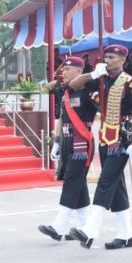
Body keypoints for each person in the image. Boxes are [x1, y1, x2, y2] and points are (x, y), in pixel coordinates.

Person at [68, 44, 132, 250]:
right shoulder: (101, 80)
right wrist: (93, 74)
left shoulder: (131, 82)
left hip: (123, 137)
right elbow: (74, 85)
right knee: (116, 186)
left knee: (106, 181)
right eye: (106, 56)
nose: (107, 60)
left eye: (112, 57)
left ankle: (90, 231)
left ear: (122, 60)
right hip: (105, 136)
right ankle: (126, 234)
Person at [38, 57, 98, 241]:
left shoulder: (89, 92)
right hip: (67, 141)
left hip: (82, 141)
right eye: (62, 70)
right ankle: (82, 226)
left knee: (72, 180)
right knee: (78, 184)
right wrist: (56, 142)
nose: (62, 72)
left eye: (67, 69)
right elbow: (47, 90)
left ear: (79, 72)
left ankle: (59, 226)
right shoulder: (66, 92)